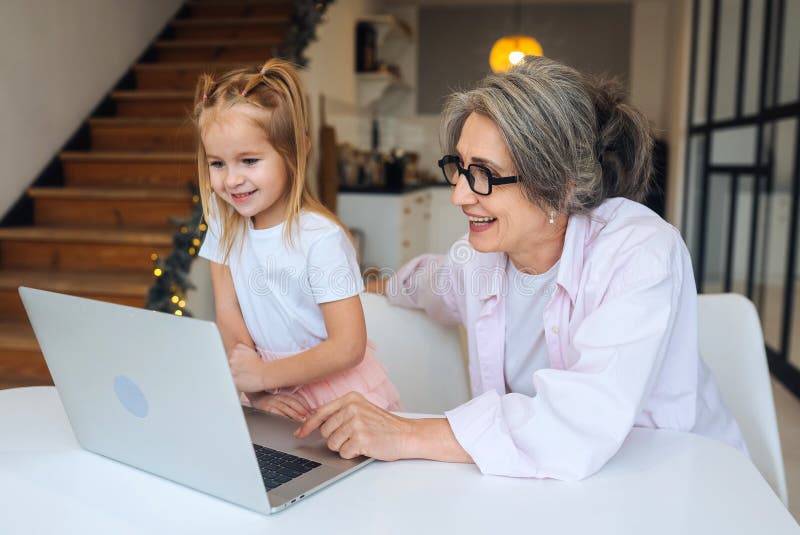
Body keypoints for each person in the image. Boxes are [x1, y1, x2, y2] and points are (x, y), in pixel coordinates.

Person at [295, 56, 746, 480]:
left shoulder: (640, 251)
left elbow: (582, 419)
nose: (460, 195)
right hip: (550, 490)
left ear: (560, 186)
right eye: (459, 167)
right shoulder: (481, 261)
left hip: (674, 481)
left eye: (485, 174)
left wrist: (406, 433)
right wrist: (366, 290)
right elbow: (429, 281)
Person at [194, 59, 400, 421]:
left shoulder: (321, 239)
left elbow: (348, 346)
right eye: (217, 164)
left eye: (249, 160)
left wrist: (262, 376)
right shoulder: (224, 222)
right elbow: (227, 310)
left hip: (335, 393)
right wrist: (257, 391)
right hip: (268, 390)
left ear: (296, 152)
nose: (231, 180)